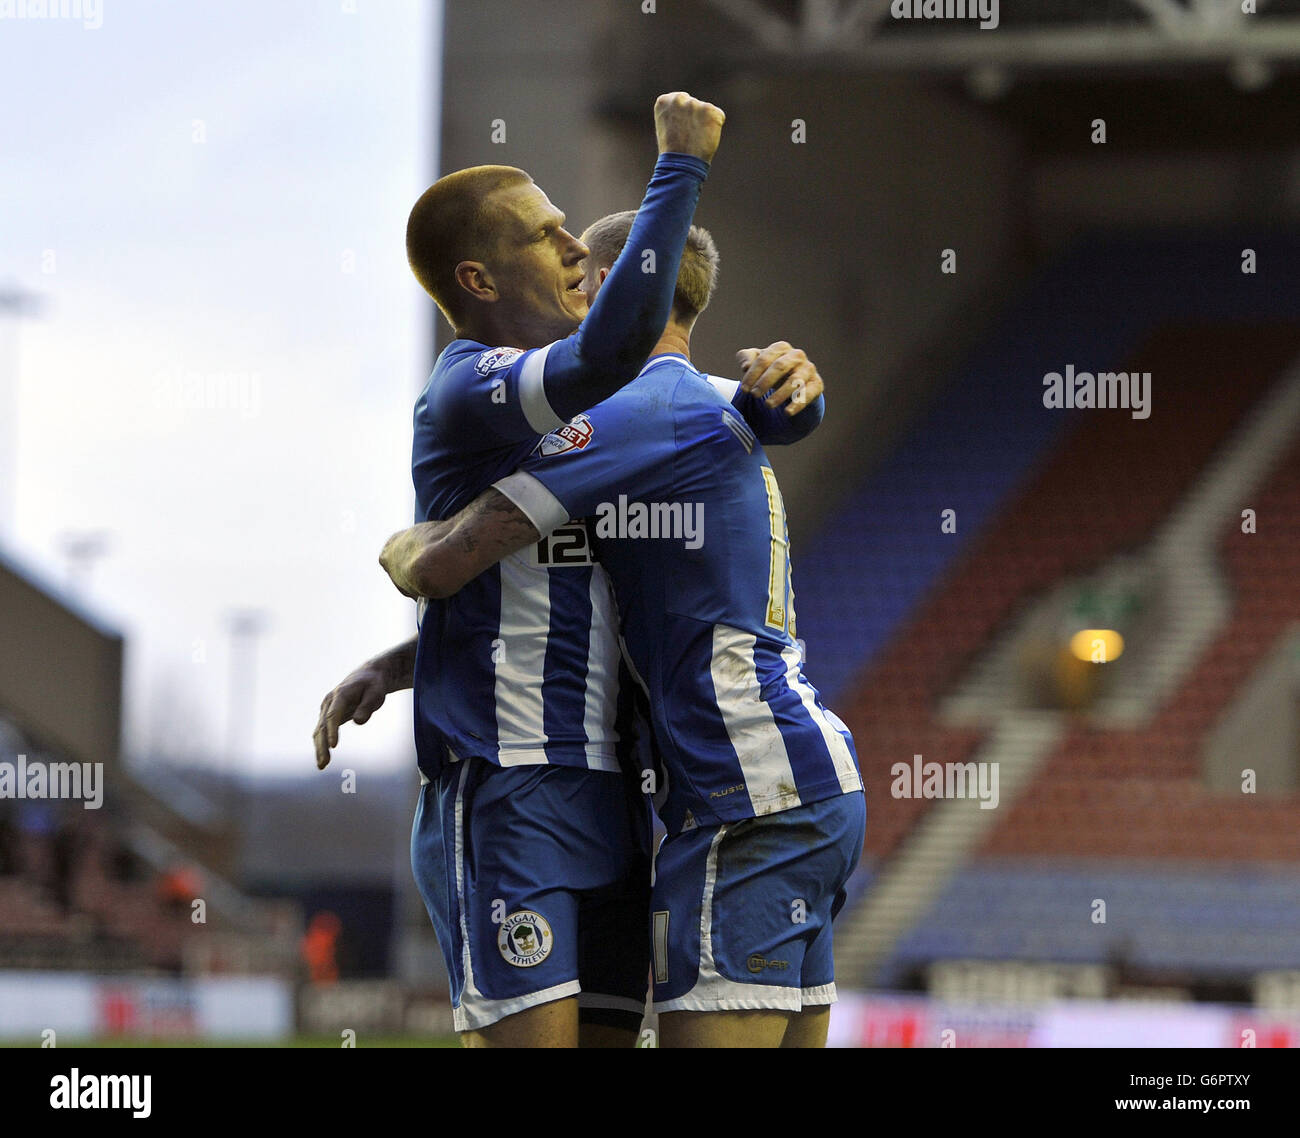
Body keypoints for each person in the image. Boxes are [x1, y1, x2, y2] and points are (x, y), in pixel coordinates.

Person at [314, 216, 828, 1044]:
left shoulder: (643, 419)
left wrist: (801, 390)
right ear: (481, 280)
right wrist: (403, 658)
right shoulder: (480, 386)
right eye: (548, 237)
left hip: (634, 795)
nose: (573, 256)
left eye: (583, 249)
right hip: (515, 782)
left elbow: (450, 566)